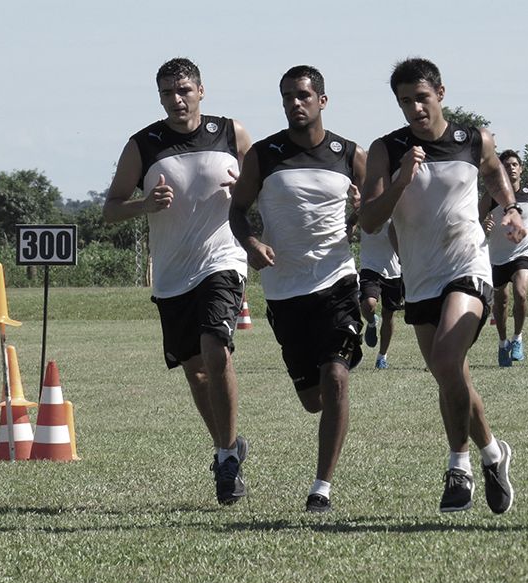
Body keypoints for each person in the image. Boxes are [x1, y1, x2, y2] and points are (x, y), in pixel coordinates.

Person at [359, 57, 522, 515]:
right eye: (405, 101)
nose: (414, 108)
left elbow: (493, 171)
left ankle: (459, 463)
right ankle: (488, 455)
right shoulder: (387, 150)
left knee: (448, 360)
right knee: (450, 374)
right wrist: (400, 181)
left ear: (441, 93)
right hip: (420, 277)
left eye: (421, 98)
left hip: (468, 265)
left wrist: (509, 208)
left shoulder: (473, 139)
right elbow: (369, 221)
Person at [102, 58, 252, 506]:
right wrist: (144, 204)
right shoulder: (143, 144)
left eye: (184, 89)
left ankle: (226, 461)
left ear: (201, 91)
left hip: (223, 260)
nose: (177, 99)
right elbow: (111, 208)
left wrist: (246, 189)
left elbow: (266, 185)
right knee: (196, 370)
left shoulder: (231, 133)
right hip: (172, 274)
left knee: (215, 347)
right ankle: (228, 445)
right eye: (168, 92)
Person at [229, 65, 366, 513]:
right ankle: (332, 413)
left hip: (337, 281)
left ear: (322, 100)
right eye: (287, 96)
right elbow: (238, 210)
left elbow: (383, 206)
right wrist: (250, 242)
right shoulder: (264, 155)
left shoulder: (349, 154)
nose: (295, 103)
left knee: (337, 375)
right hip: (285, 291)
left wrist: (364, 212)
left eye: (304, 95)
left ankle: (321, 487)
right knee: (313, 400)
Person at [480, 149, 528, 366]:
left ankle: (517, 338)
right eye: (506, 165)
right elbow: (473, 219)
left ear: (521, 168)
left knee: (520, 293)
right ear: (500, 169)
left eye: (514, 164)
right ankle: (503, 343)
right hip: (497, 257)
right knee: (501, 302)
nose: (511, 167)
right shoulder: (492, 195)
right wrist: (484, 225)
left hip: (523, 253)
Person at [358, 218, 404, 369]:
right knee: (368, 304)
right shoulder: (366, 208)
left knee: (388, 314)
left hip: (394, 271)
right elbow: (350, 223)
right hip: (369, 266)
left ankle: (382, 357)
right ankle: (371, 321)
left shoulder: (396, 209)